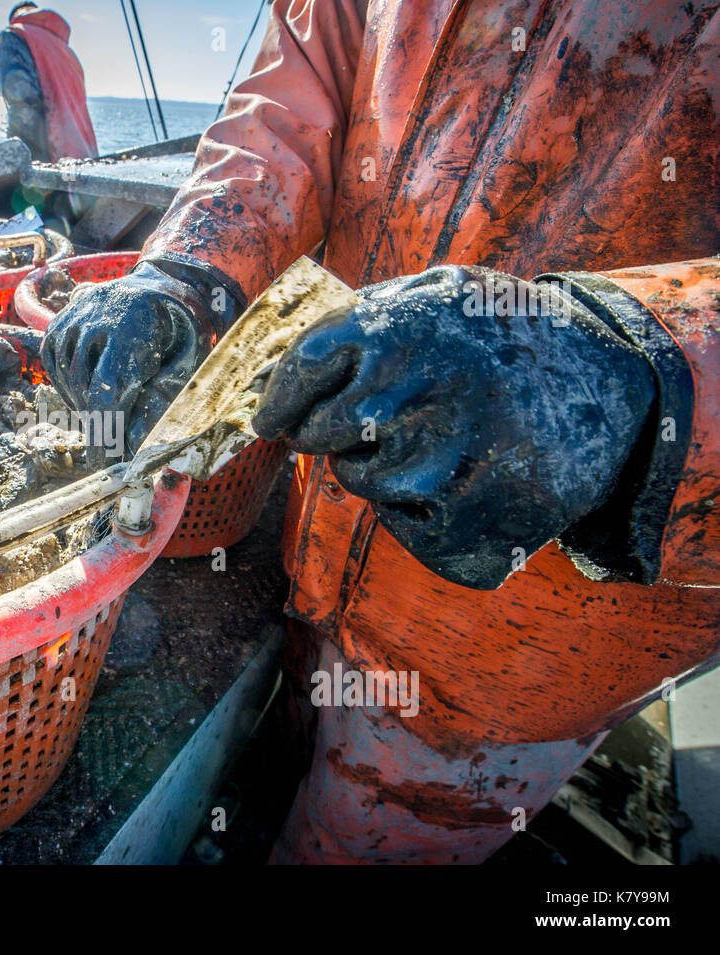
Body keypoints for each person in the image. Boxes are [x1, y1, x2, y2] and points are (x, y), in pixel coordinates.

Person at [41, 0, 720, 863]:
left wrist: (629, 385)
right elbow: (286, 112)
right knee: (277, 760)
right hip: (322, 536)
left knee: (363, 836)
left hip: (527, 646)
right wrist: (189, 267)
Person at [0, 3, 98, 162]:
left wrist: (24, 164)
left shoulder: (12, 35)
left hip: (51, 163)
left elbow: (22, 101)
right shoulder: (68, 53)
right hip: (84, 159)